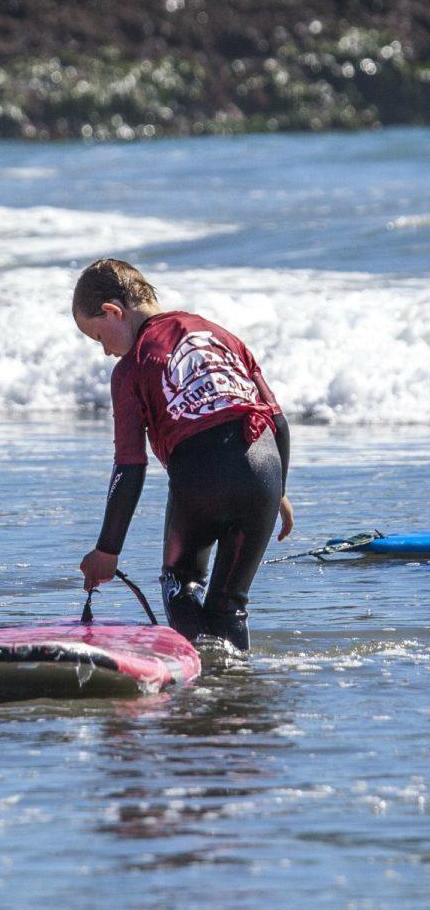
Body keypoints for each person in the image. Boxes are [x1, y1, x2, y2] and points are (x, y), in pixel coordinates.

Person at [73, 258, 293, 651]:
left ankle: (202, 683)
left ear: (112, 311)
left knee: (181, 583)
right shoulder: (222, 335)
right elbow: (277, 421)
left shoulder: (132, 366)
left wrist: (108, 549)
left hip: (201, 473)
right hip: (264, 469)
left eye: (97, 336)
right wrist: (277, 491)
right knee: (230, 606)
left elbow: (129, 466)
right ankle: (235, 687)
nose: (105, 351)